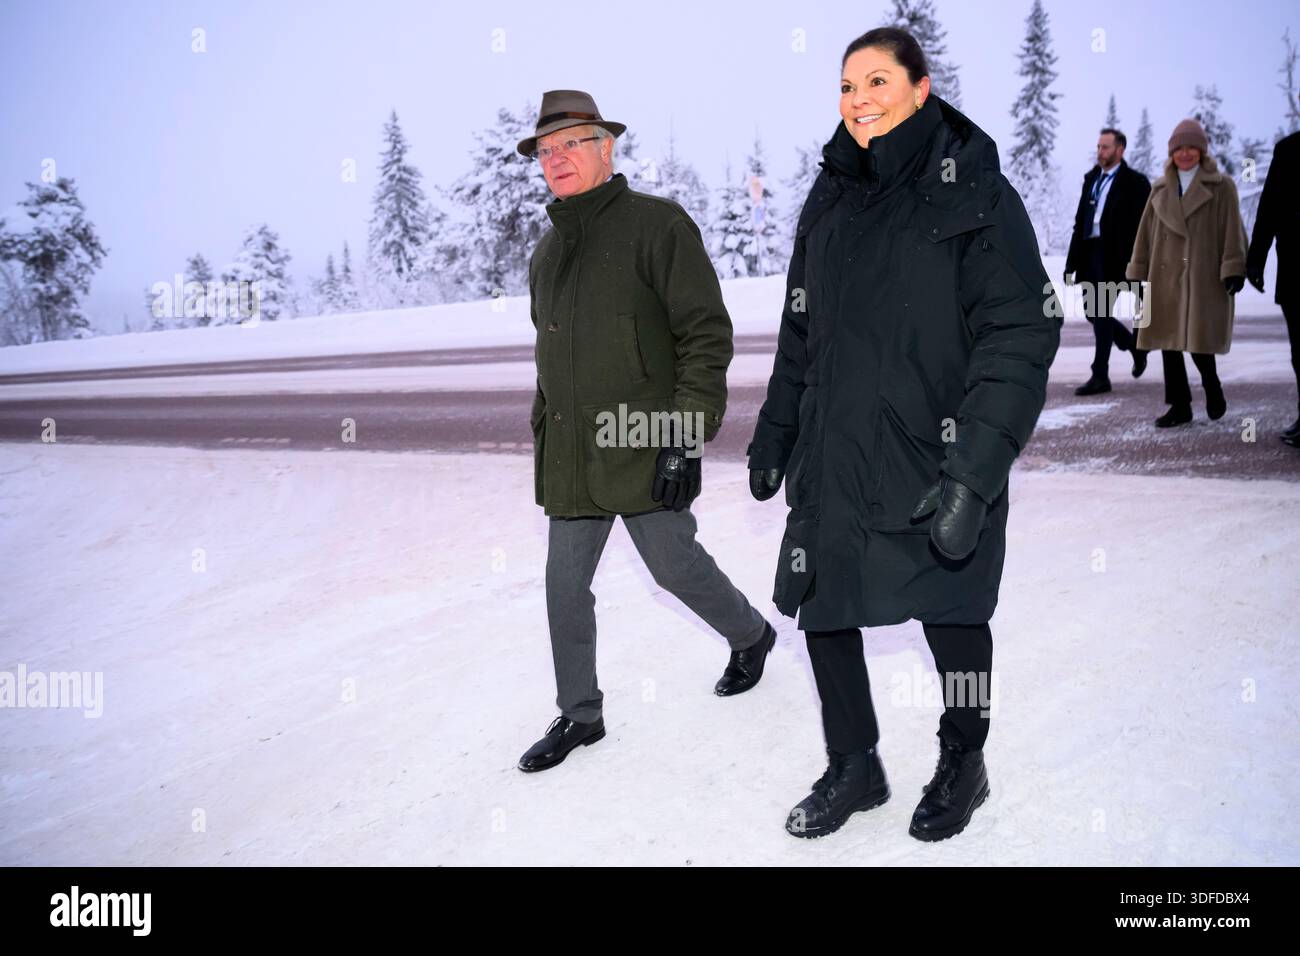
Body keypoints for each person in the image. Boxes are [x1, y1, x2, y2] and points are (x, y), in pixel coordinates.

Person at [746, 29, 1060, 841]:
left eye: (878, 80)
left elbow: (1020, 330)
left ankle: (965, 759)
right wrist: (776, 432)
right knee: (823, 604)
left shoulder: (972, 187)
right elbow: (798, 330)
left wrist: (974, 473)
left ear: (921, 88)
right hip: (835, 449)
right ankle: (855, 766)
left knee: (953, 612)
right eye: (847, 85)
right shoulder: (830, 197)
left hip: (935, 451)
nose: (859, 99)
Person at [517, 90, 777, 774]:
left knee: (673, 567)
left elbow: (704, 336)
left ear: (607, 147)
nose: (557, 159)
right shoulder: (546, 254)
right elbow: (554, 360)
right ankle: (581, 714)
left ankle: (751, 637)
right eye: (546, 150)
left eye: (572, 143)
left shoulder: (657, 227)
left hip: (644, 438)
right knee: (562, 585)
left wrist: (686, 434)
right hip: (574, 454)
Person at [1125, 119, 1248, 427]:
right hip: (1164, 275)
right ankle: (1180, 405)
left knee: (1197, 340)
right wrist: (1138, 269)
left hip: (1202, 275)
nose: (1185, 154)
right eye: (1179, 148)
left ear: (1202, 151)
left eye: (1191, 147)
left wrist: (1233, 267)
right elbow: (1145, 233)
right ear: (1171, 152)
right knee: (1168, 341)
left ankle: (1212, 386)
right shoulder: (1160, 188)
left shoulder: (1221, 187)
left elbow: (1233, 230)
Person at [1064, 127, 1151, 395]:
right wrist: (1071, 263)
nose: (1100, 152)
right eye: (1099, 147)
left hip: (1117, 256)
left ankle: (1100, 375)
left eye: (1105, 147)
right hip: (1090, 252)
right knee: (1093, 312)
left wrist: (1140, 262)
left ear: (1120, 150)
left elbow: (1145, 225)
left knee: (1100, 312)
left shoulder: (1135, 182)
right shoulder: (1092, 179)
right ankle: (1132, 345)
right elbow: (1080, 223)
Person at [1246, 114, 1300, 448]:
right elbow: (1268, 209)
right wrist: (1256, 258)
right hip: (1297, 268)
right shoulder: (1289, 150)